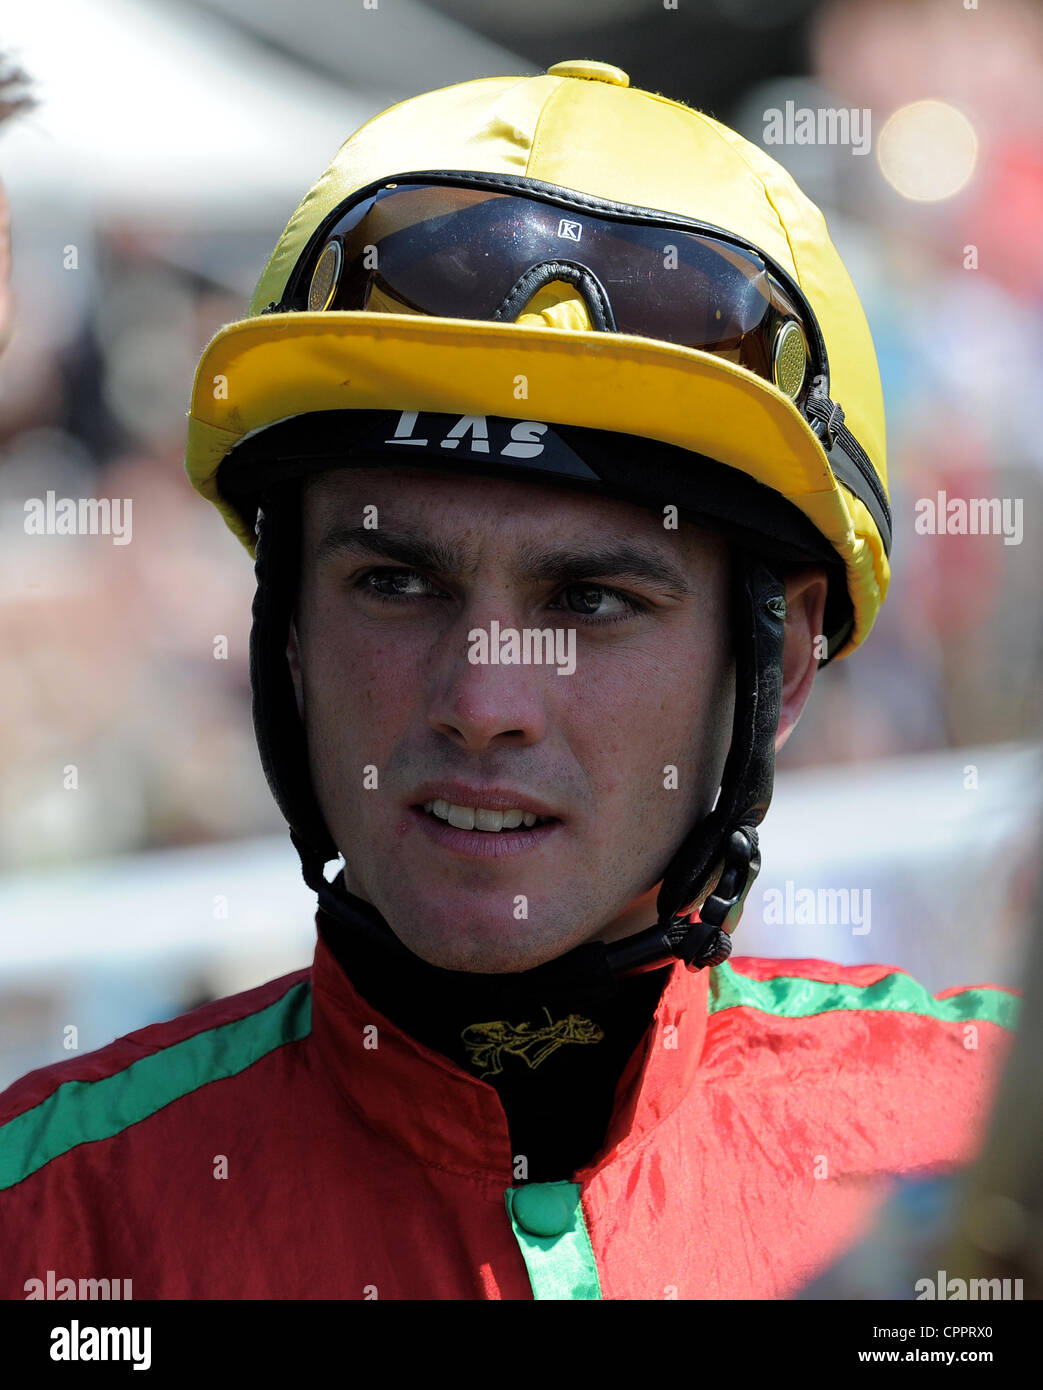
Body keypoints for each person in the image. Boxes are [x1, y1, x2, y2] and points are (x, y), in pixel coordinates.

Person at [0, 59, 1018, 1301]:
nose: (483, 701)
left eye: (590, 602)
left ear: (784, 660)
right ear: (288, 636)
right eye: (396, 583)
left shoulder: (984, 1150)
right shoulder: (44, 1223)